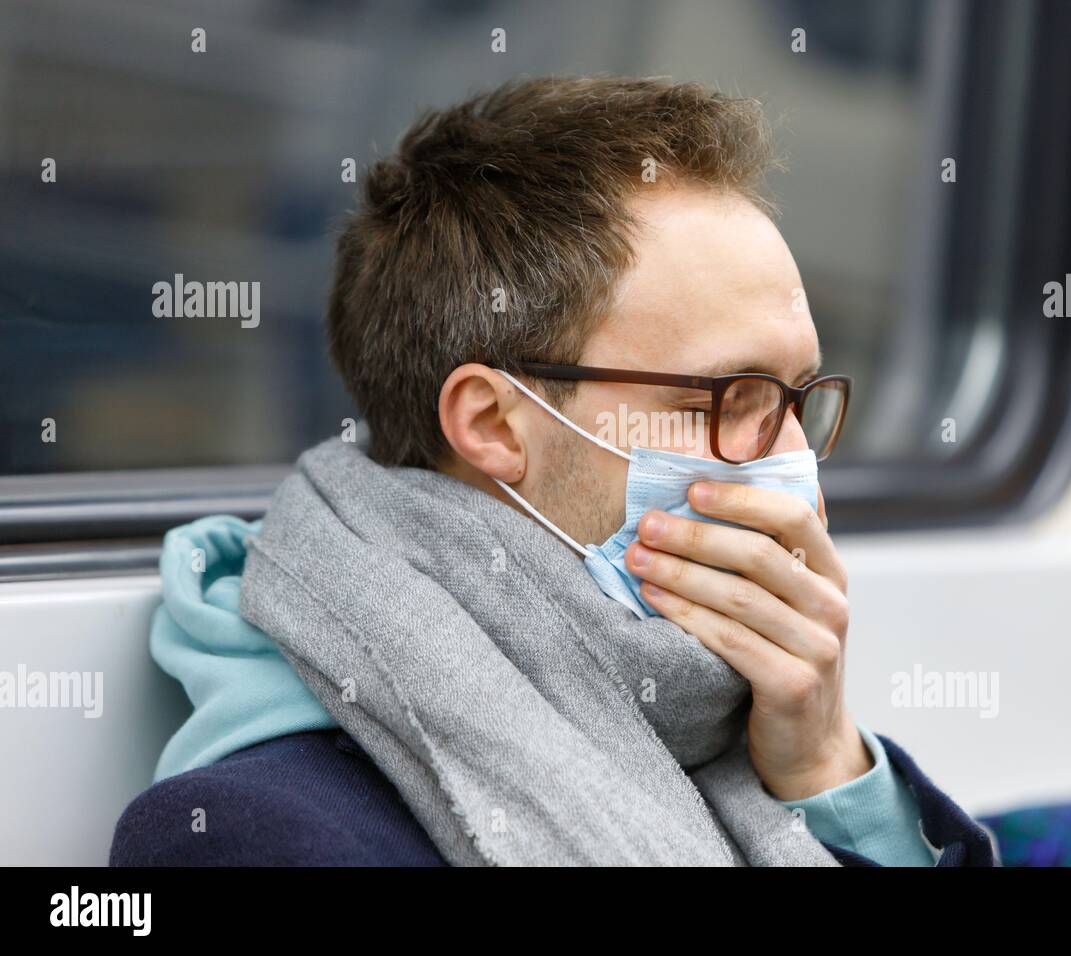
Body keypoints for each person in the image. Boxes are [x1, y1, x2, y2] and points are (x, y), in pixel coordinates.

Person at [110, 76, 997, 867]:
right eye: (729, 396)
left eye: (798, 397)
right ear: (495, 424)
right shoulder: (254, 834)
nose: (792, 459)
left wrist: (826, 774)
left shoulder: (765, 746)